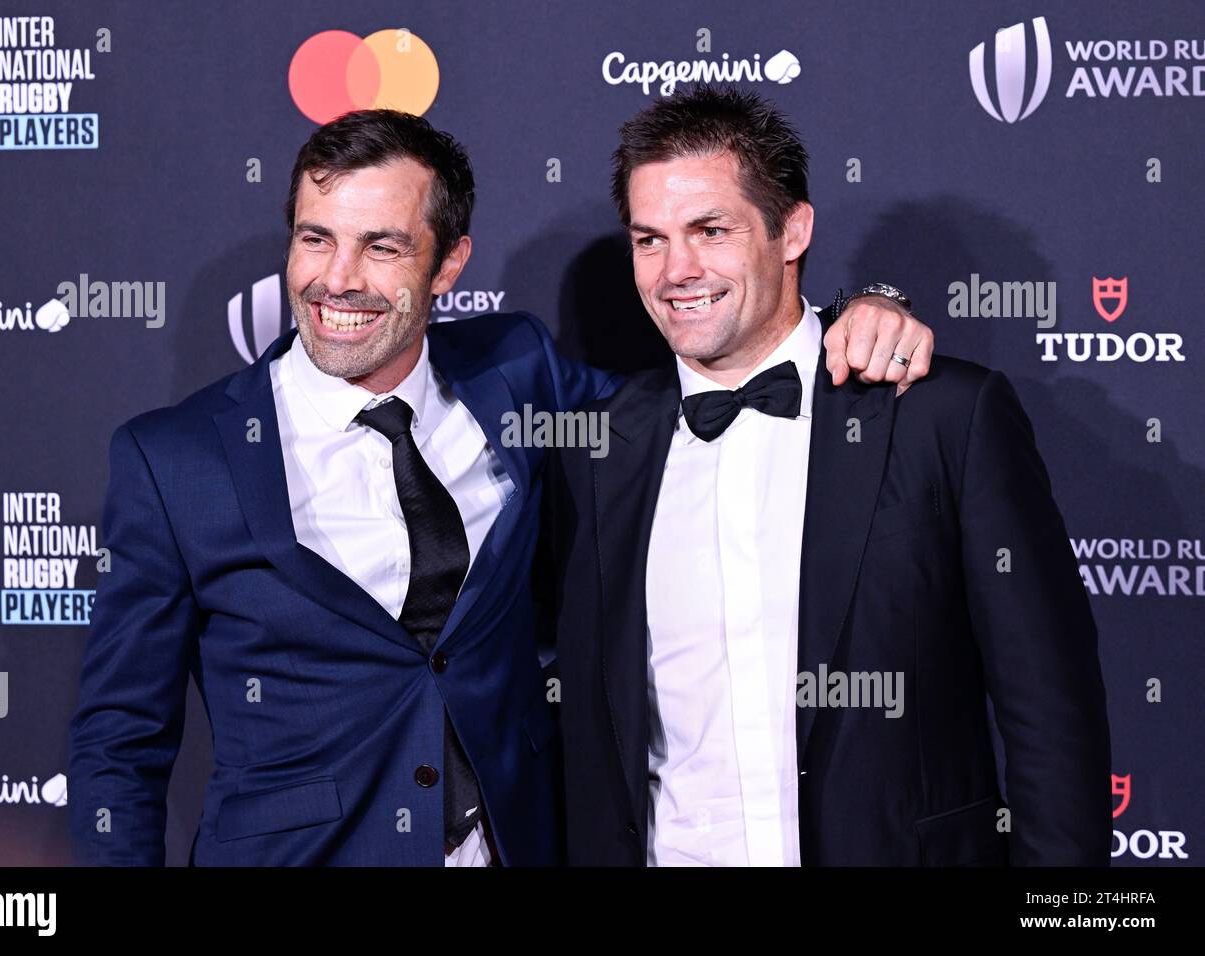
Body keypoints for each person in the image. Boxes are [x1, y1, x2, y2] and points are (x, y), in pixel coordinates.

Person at [67, 107, 931, 866]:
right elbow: (119, 741)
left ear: (448, 265)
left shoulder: (516, 373)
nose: (338, 280)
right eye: (315, 237)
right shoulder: (176, 458)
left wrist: (863, 306)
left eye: (383, 246)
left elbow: (711, 388)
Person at [548, 86, 1110, 866]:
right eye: (650, 240)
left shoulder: (942, 418)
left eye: (710, 231)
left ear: (793, 230)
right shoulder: (598, 448)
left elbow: (1052, 716)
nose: (677, 270)